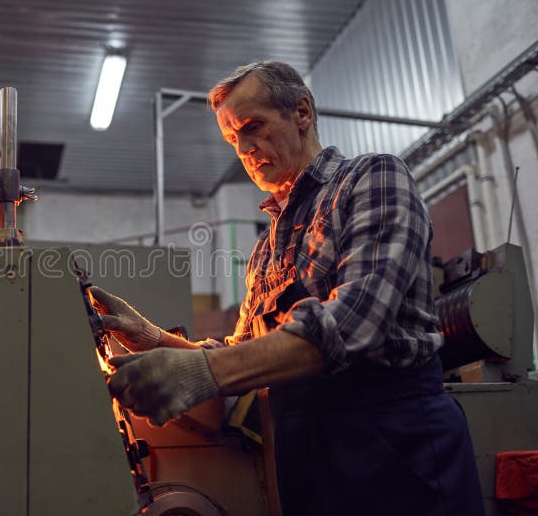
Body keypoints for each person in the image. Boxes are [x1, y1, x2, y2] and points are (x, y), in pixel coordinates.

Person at [91, 61, 484, 515]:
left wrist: (199, 372)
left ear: (301, 112)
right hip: (311, 466)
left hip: (398, 458)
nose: (244, 149)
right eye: (233, 139)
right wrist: (152, 338)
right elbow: (243, 354)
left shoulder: (373, 179)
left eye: (252, 127)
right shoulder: (265, 248)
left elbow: (353, 324)